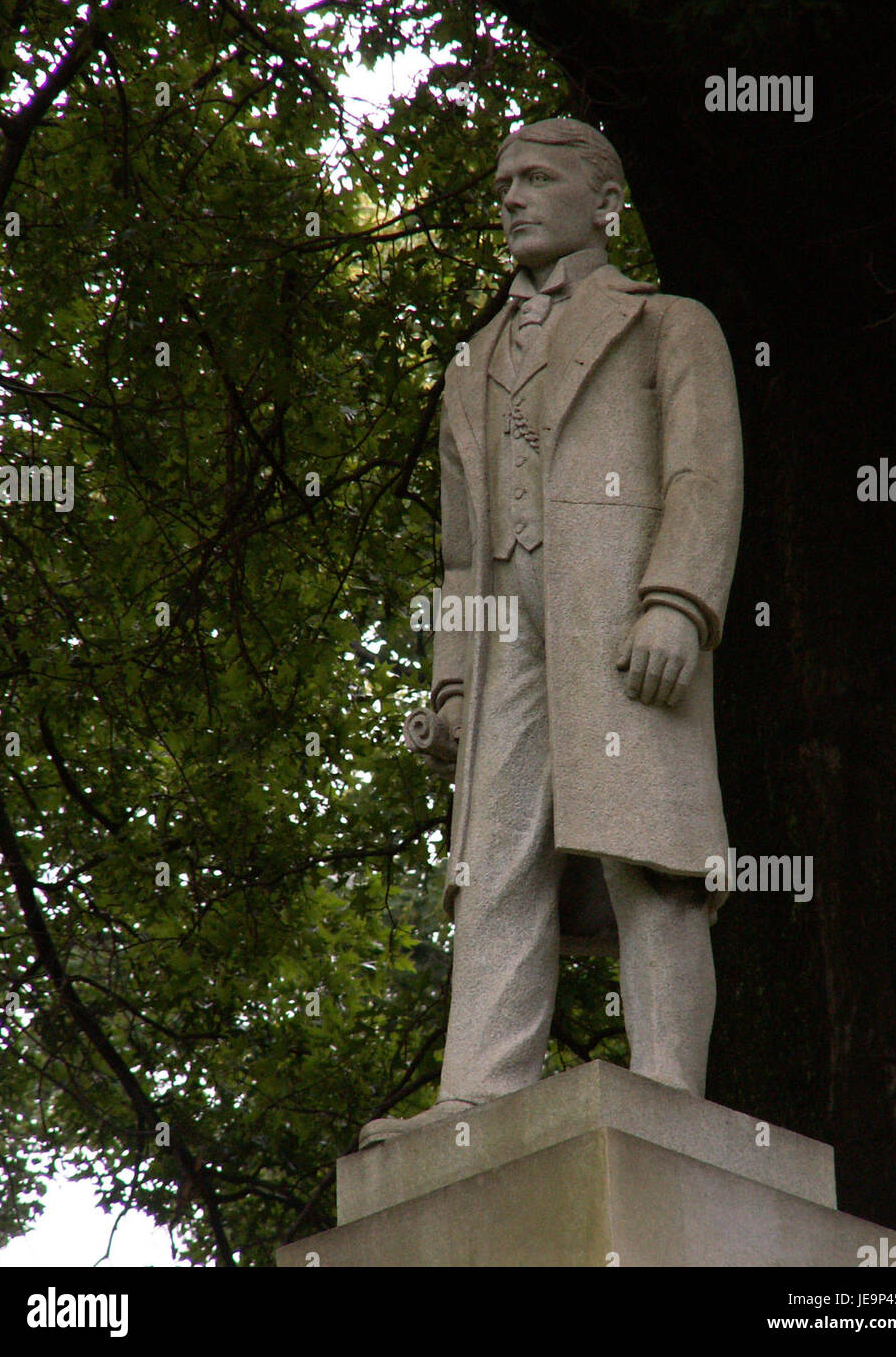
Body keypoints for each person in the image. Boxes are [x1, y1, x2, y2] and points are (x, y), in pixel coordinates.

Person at [361, 117, 742, 1149]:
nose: (513, 197)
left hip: (621, 622)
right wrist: (449, 687)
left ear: (604, 201)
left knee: (650, 852)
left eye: (537, 178)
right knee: (495, 854)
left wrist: (680, 600)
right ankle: (477, 1094)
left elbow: (701, 476)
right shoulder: (471, 364)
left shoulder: (671, 325)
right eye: (502, 184)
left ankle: (670, 1089)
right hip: (508, 644)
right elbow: (457, 551)